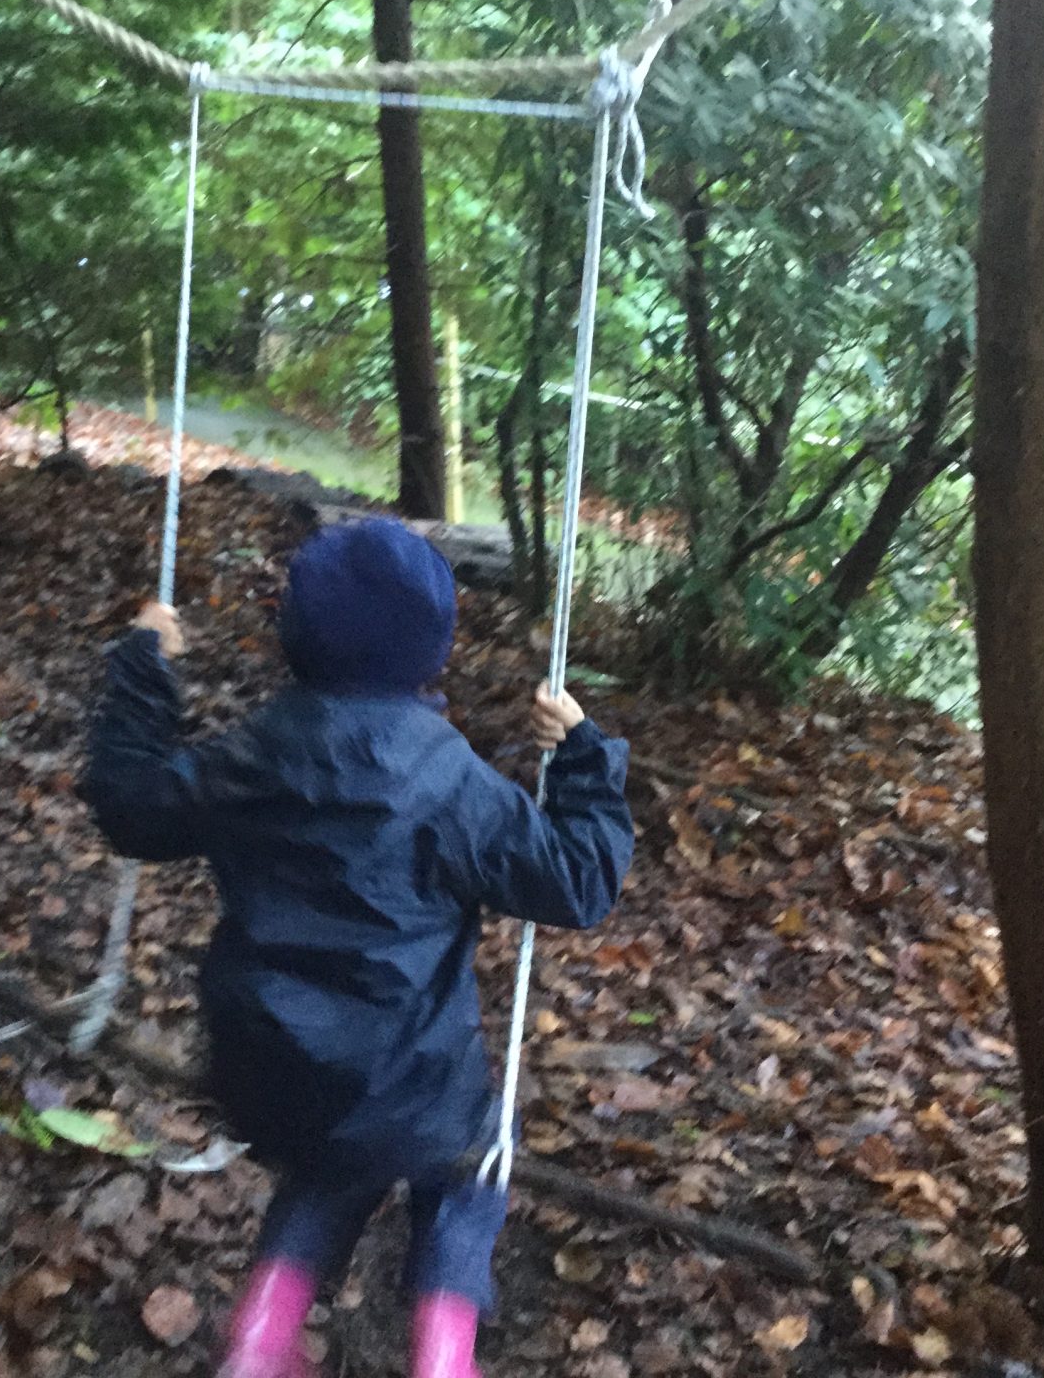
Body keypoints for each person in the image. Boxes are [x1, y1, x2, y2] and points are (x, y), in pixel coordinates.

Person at [82, 518, 634, 1378]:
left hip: (260, 1072)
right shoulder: (448, 780)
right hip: (401, 1084)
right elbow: (578, 879)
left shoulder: (256, 750)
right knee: (475, 1149)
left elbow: (129, 802)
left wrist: (144, 667)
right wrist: (584, 762)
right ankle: (443, 1351)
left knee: (333, 1147)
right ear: (435, 651)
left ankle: (265, 1334)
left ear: (293, 636)